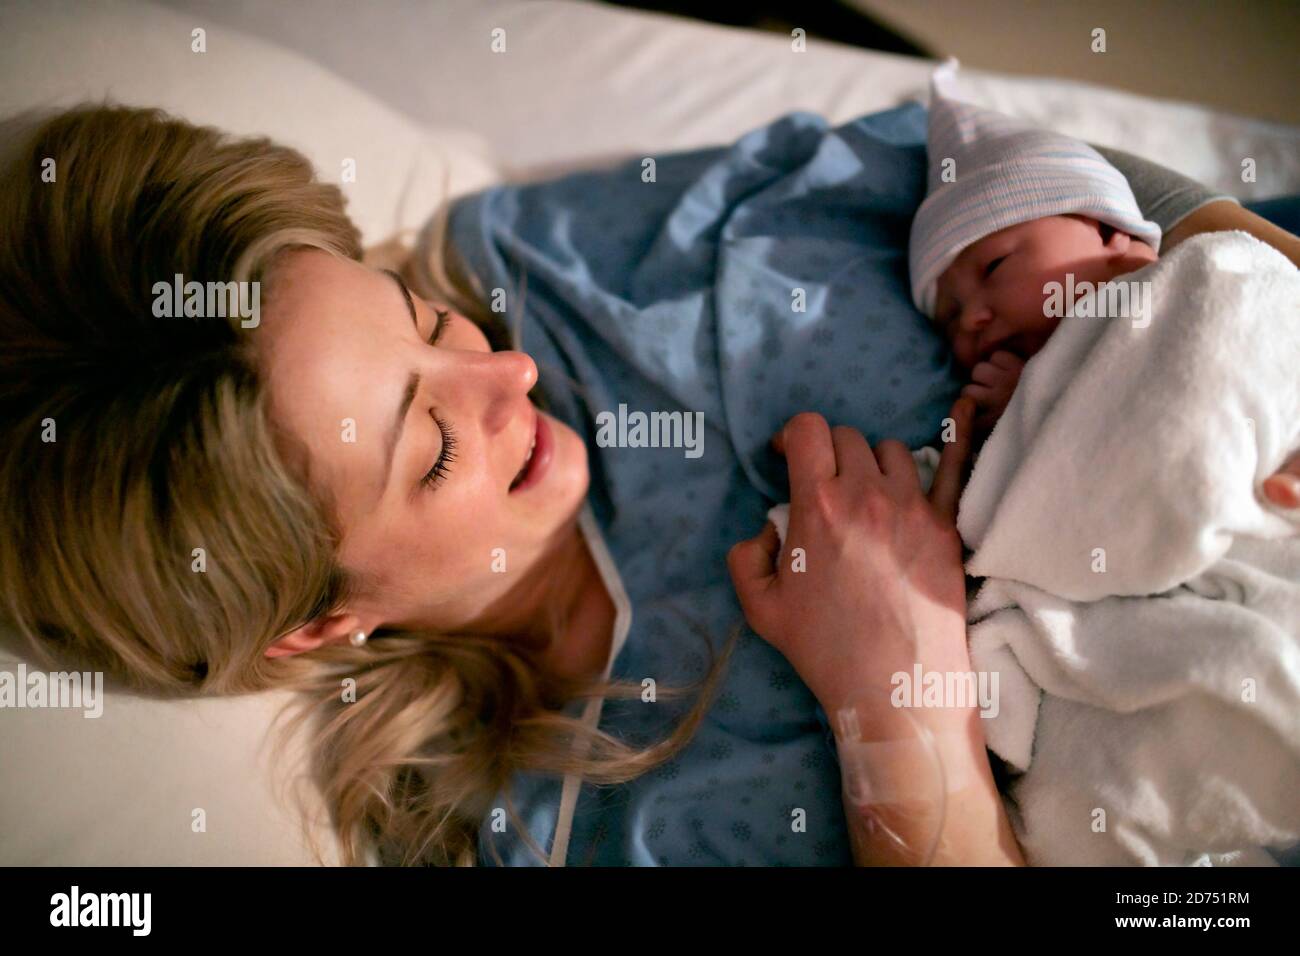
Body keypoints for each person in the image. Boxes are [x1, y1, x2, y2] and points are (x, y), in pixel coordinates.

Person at [2, 102, 1297, 867]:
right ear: (321, 622)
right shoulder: (593, 820)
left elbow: (1049, 183)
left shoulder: (575, 264)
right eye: (432, 449)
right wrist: (901, 697)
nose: (508, 374)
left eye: (421, 319)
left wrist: (1229, 320)